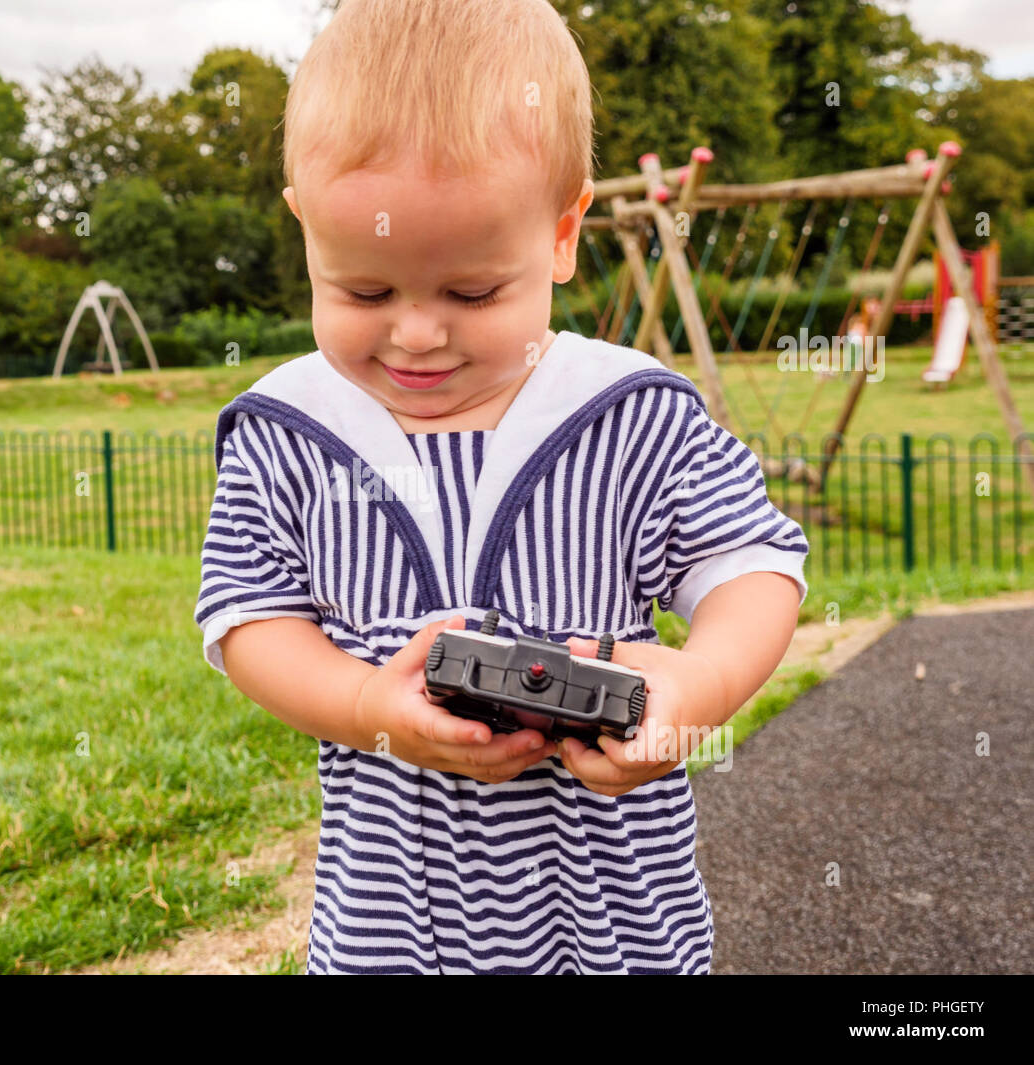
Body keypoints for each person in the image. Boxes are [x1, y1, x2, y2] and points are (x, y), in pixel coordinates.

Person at [194, 0, 808, 974]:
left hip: (617, 926)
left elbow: (752, 567)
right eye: (363, 291)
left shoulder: (629, 411)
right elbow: (247, 622)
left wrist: (697, 683)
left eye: (472, 293)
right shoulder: (286, 431)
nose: (418, 333)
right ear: (305, 224)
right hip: (388, 927)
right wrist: (367, 709)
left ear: (562, 235)